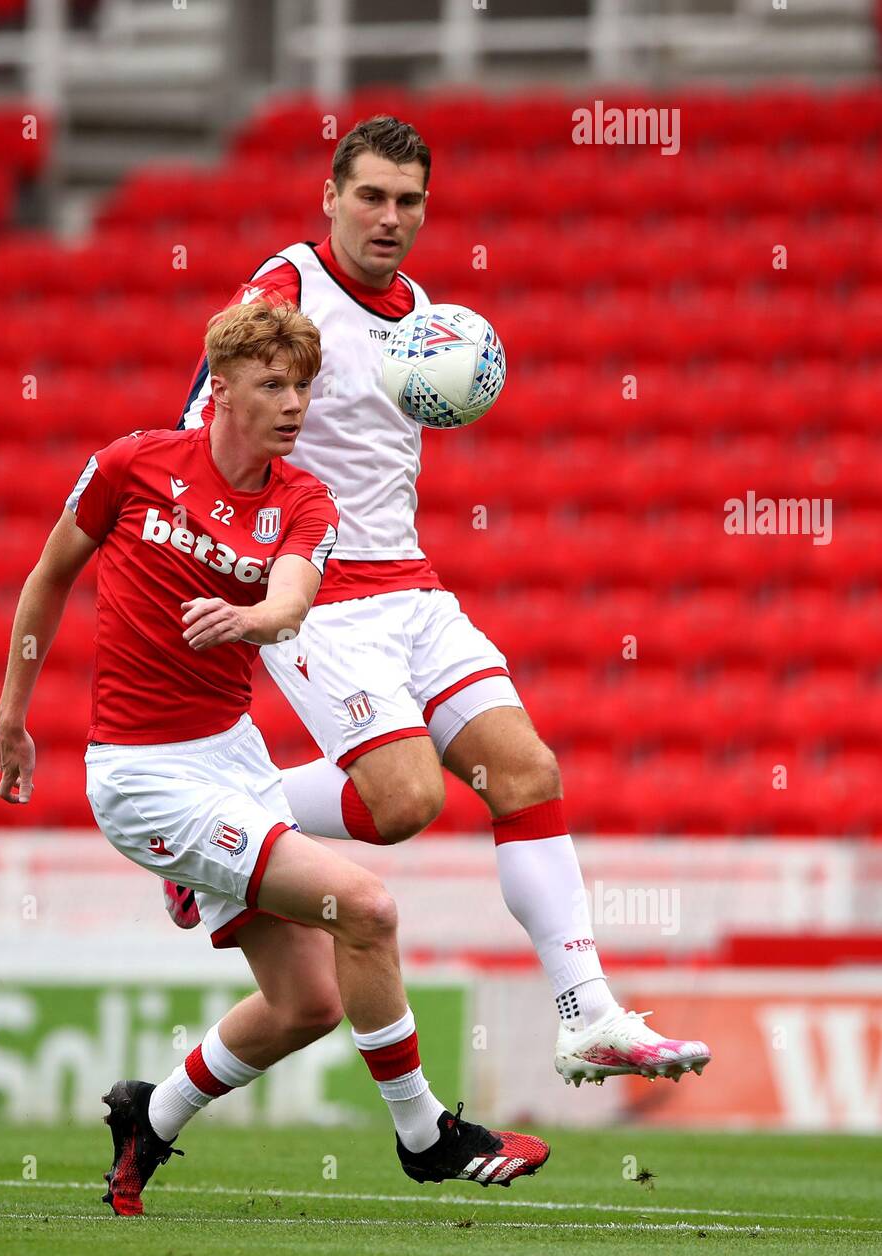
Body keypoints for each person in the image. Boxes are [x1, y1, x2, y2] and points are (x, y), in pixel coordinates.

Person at [168, 115, 711, 1090]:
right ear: (329, 196)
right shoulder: (283, 289)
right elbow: (199, 425)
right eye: (369, 195)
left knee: (526, 770)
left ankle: (587, 1015)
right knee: (406, 801)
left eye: (408, 200)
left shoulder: (424, 312)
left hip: (412, 586)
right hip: (319, 595)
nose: (388, 216)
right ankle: (213, 820)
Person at [0, 298, 550, 1216]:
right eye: (273, 384)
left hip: (235, 760)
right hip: (142, 772)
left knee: (309, 1006)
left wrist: (253, 619)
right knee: (366, 907)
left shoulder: (303, 499)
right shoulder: (130, 465)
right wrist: (14, 715)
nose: (295, 403)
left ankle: (150, 1115)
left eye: (304, 385)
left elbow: (291, 600)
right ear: (220, 389)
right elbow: (51, 573)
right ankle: (425, 1140)